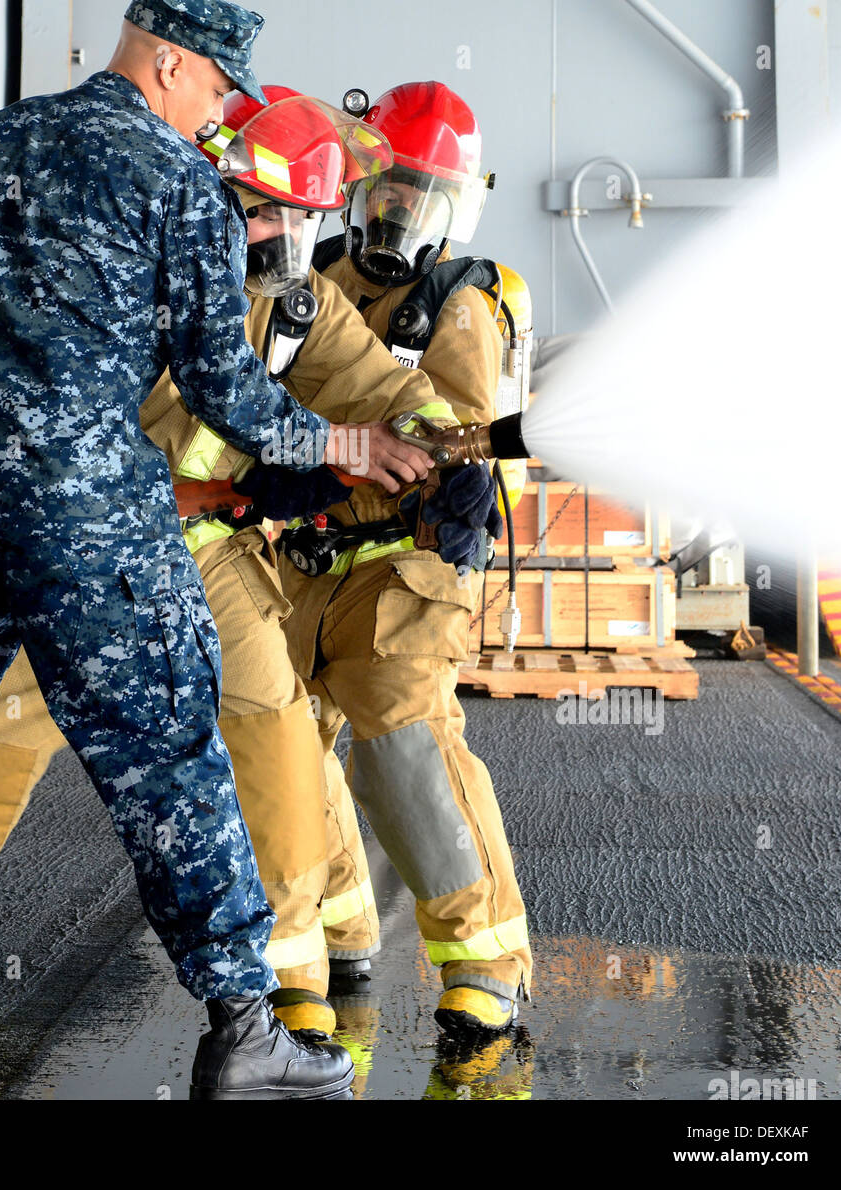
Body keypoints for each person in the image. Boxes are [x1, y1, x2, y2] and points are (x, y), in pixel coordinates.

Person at [0, 0, 433, 1100]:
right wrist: (342, 445)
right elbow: (226, 386)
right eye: (218, 86)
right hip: (92, 524)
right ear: (170, 62)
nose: (220, 112)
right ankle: (240, 1032)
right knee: (170, 765)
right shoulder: (177, 181)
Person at [278, 81, 535, 1038]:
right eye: (388, 190)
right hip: (295, 556)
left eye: (424, 197)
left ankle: (484, 964)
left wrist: (350, 444)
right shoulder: (307, 268)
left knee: (403, 746)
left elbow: (451, 432)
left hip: (403, 560)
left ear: (457, 206)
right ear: (356, 183)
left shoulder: (458, 298)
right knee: (279, 744)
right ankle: (341, 928)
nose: (399, 214)